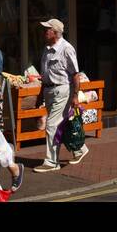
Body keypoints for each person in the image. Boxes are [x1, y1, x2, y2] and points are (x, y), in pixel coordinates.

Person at [34, 18, 86, 173]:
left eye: (47, 29)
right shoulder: (47, 48)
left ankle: (51, 162)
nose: (44, 32)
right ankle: (79, 149)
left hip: (63, 90)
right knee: (60, 125)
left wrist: (75, 96)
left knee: (51, 125)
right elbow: (45, 74)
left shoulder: (66, 48)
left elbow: (75, 75)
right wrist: (40, 95)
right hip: (49, 91)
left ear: (55, 32)